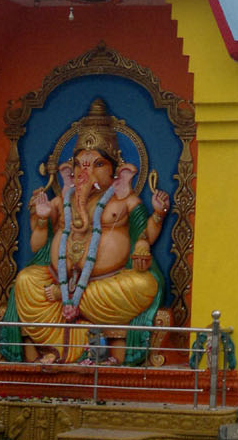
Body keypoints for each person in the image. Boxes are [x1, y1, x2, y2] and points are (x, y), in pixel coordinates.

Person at [11, 98, 170, 365]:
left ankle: (73, 318)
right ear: (70, 170)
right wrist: (39, 220)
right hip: (58, 279)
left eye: (97, 164)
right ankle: (58, 349)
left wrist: (157, 214)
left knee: (145, 285)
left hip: (107, 284)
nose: (88, 172)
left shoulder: (124, 200)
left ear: (116, 170)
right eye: (81, 165)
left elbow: (146, 236)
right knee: (26, 282)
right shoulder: (61, 200)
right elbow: (38, 245)